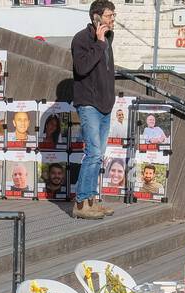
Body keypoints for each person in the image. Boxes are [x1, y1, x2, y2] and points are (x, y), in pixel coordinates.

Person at [71, 1, 117, 220]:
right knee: (93, 153)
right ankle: (80, 204)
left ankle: (91, 200)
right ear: (96, 17)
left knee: (98, 157)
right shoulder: (82, 39)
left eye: (113, 15)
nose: (112, 19)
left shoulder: (108, 39)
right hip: (88, 103)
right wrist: (99, 43)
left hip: (105, 105)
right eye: (109, 15)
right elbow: (82, 68)